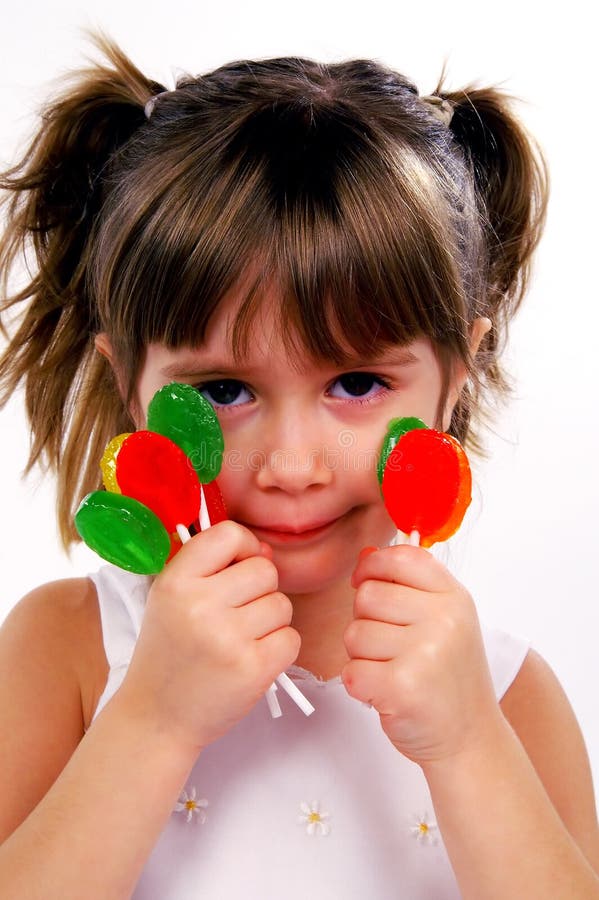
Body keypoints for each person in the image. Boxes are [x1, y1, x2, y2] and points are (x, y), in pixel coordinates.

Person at [0, 31, 597, 900]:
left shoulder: (507, 696)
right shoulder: (72, 648)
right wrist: (155, 719)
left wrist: (467, 740)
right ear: (131, 386)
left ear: (451, 380)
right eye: (223, 391)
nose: (291, 464)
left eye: (355, 382)